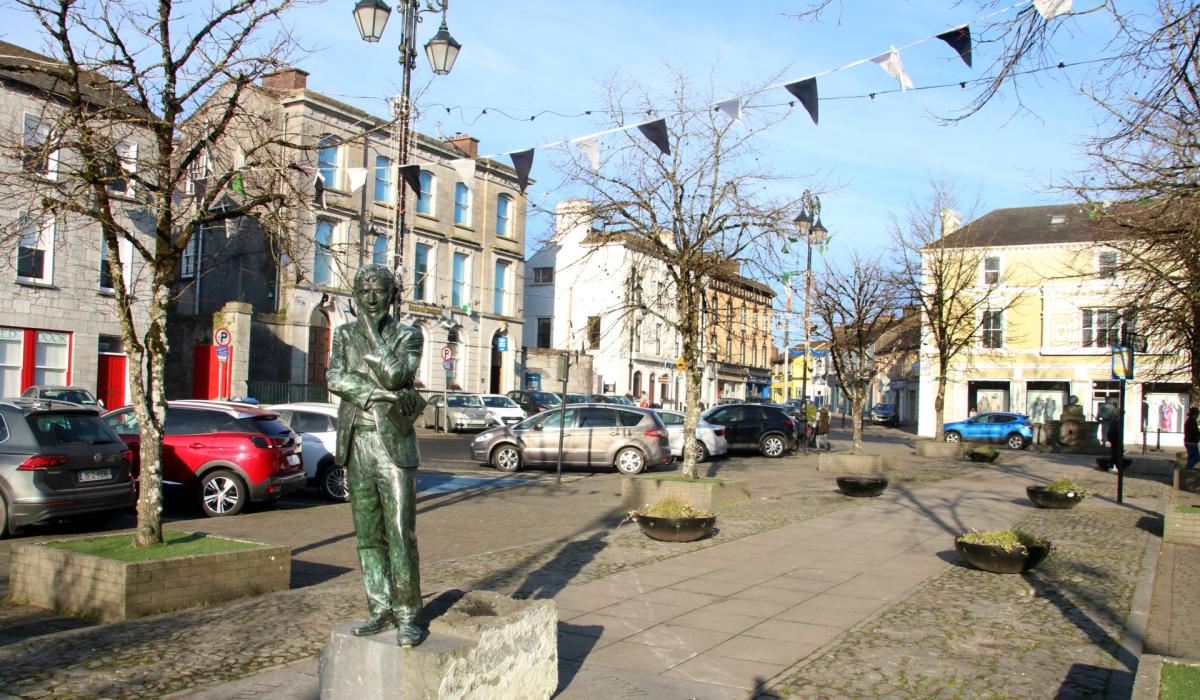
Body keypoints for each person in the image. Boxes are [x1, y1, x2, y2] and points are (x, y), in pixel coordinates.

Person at [328, 264, 429, 647]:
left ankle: (408, 615)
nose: (371, 298)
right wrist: (375, 395)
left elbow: (394, 376)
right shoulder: (342, 334)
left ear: (391, 296)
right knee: (368, 536)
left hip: (394, 446)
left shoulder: (408, 335)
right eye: (364, 291)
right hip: (357, 442)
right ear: (355, 294)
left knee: (401, 532)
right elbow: (335, 377)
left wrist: (371, 333)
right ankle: (380, 608)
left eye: (379, 291)